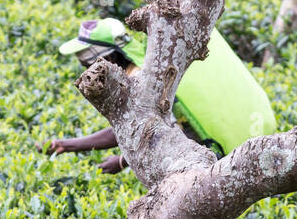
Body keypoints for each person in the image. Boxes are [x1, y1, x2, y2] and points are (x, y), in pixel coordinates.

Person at [43, 18, 277, 174]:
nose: (86, 71)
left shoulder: (139, 79)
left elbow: (133, 129)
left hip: (196, 159)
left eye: (87, 61)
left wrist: (74, 146)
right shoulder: (143, 70)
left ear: (110, 58)